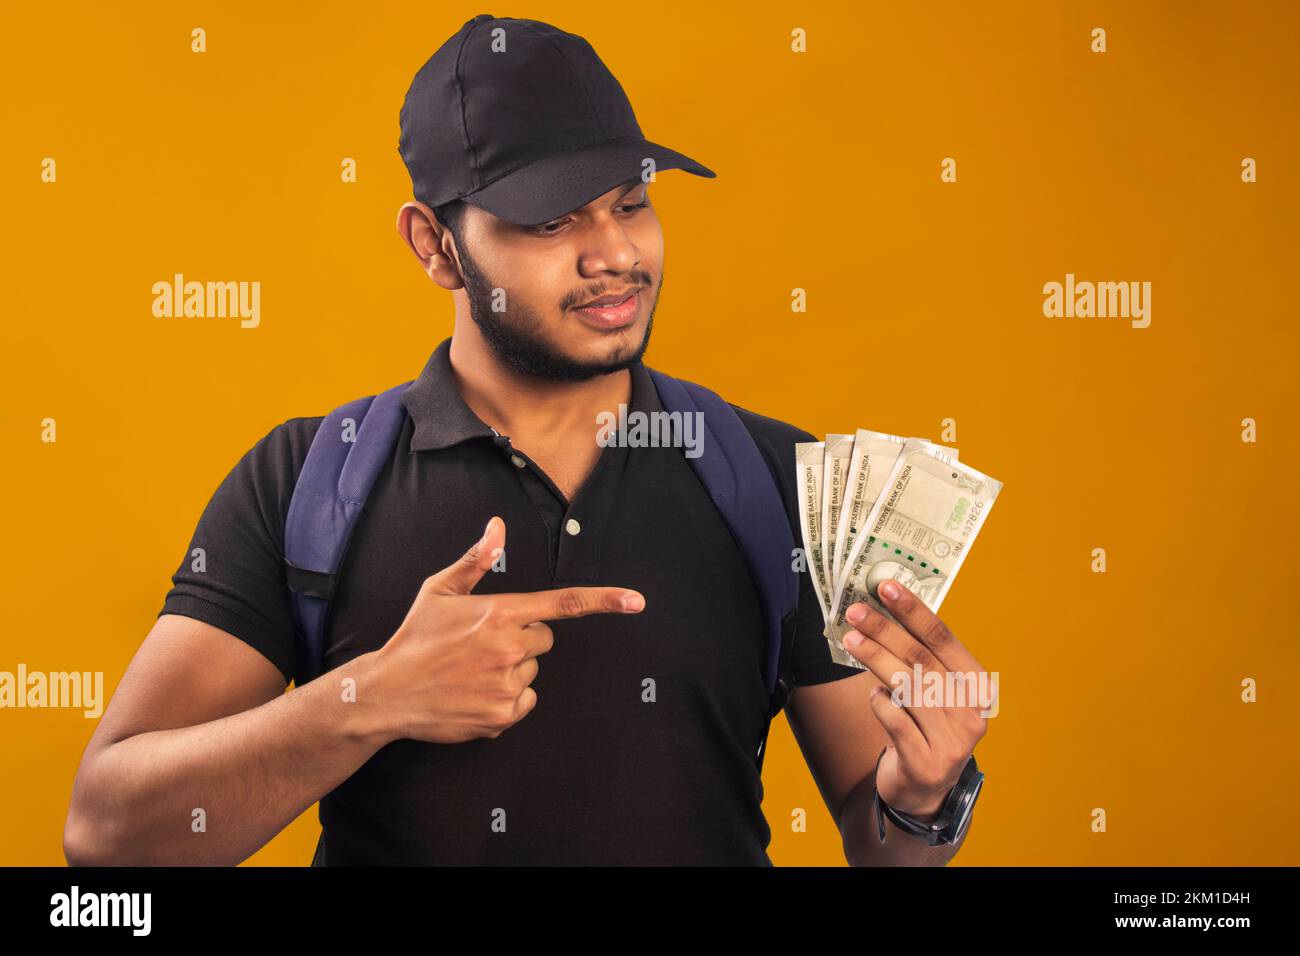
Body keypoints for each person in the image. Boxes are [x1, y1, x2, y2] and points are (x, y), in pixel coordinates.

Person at [63, 14, 987, 866]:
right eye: (552, 220)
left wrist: (923, 796)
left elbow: (885, 847)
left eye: (630, 203)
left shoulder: (774, 478)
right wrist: (369, 698)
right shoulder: (305, 478)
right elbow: (106, 834)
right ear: (435, 246)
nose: (615, 255)